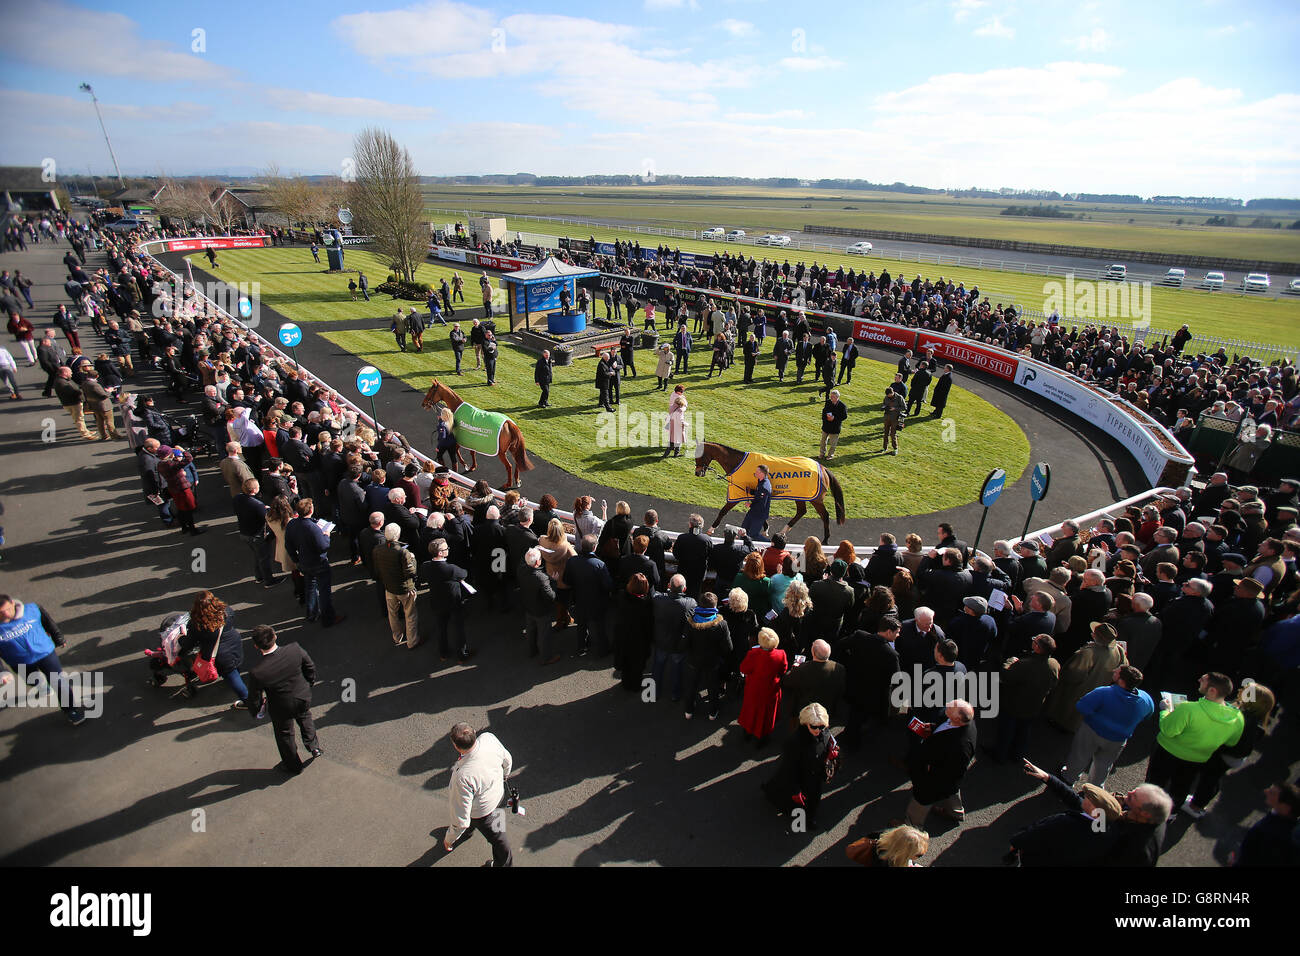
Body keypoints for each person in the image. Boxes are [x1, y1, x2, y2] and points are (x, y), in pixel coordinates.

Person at [1146, 671, 1245, 815]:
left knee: (1154, 783)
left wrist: (1165, 711)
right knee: (1180, 788)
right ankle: (1171, 814)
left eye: (1203, 680)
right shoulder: (1237, 718)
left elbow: (1168, 730)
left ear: (1212, 690)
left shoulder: (1188, 709)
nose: (1199, 680)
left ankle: (1144, 809)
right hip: (1197, 760)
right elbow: (1232, 741)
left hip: (1167, 753)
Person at [1008, 760, 1124, 866]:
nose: (1085, 797)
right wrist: (1047, 778)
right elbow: (1072, 798)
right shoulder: (1106, 828)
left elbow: (1034, 833)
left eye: (1090, 798)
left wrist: (1016, 844)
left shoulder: (1066, 823)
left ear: (1097, 813)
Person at [244, 625, 321, 775]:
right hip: (302, 696)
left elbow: (254, 696)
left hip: (280, 706)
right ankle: (314, 747)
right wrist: (308, 683)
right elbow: (310, 666)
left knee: (285, 735)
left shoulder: (258, 672)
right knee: (305, 717)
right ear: (275, 636)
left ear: (256, 646)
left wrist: (256, 711)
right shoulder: (294, 649)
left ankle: (294, 766)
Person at [1060, 664, 1153, 784]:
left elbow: (1081, 706)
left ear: (1121, 681)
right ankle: (1094, 791)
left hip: (1091, 731)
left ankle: (1068, 777)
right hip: (1118, 740)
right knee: (1103, 766)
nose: (1114, 670)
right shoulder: (1146, 700)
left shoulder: (1103, 692)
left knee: (1080, 756)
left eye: (1117, 672)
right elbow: (1147, 715)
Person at [0, 594, 83, 724]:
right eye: (1, 613)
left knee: (59, 681)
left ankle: (71, 710)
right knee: (31, 680)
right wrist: (2, 671)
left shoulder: (32, 610)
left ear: (12, 603)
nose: (5, 614)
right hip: (19, 662)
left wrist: (58, 637)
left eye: (7, 610)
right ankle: (42, 685)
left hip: (45, 653)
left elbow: (47, 621)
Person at [442, 722, 514, 867]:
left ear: (455, 745)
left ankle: (504, 864)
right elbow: (507, 760)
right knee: (497, 834)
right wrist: (504, 775)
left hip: (482, 813)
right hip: (498, 795)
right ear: (475, 732)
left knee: (499, 839)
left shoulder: (462, 777)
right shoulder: (488, 739)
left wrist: (450, 838)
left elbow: (461, 816)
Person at [762, 703, 838, 827]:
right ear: (805, 723)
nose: (818, 730)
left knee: (812, 798)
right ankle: (804, 822)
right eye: (814, 727)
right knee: (799, 801)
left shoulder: (823, 732)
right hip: (801, 777)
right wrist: (796, 789)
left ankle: (808, 818)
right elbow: (789, 768)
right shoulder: (795, 742)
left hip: (815, 774)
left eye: (822, 726)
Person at [904, 699, 977, 827]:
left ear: (957, 718)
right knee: (951, 791)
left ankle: (911, 827)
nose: (947, 705)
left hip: (936, 779)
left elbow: (949, 772)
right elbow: (945, 724)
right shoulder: (959, 721)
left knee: (920, 801)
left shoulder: (960, 747)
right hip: (949, 780)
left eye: (951, 707)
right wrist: (932, 727)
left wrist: (923, 774)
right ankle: (955, 813)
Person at [991, 633, 1060, 763]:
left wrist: (1010, 662)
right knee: (1023, 731)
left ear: (1038, 648)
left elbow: (1006, 676)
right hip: (1034, 705)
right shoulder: (1053, 664)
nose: (1033, 641)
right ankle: (1017, 755)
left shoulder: (1025, 665)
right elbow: (1054, 683)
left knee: (1006, 730)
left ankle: (999, 755)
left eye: (1035, 641)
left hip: (1014, 704)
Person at [181, 591, 248, 706]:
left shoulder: (197, 624)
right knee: (235, 666)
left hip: (220, 655)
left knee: (232, 676)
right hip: (235, 643)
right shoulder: (226, 611)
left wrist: (180, 638)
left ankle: (248, 701)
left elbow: (188, 643)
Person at [285, 498, 344, 628]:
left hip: (303, 563)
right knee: (324, 591)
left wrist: (296, 560)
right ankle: (328, 618)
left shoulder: (292, 524)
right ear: (311, 510)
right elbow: (323, 546)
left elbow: (288, 545)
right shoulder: (312, 527)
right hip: (318, 563)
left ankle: (312, 613)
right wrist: (327, 534)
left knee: (310, 587)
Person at [373, 524, 420, 649]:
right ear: (397, 535)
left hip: (389, 587)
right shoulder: (402, 552)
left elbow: (377, 570)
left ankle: (397, 637)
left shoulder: (378, 549)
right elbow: (411, 572)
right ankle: (412, 641)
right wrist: (413, 559)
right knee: (410, 615)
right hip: (405, 588)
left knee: (392, 614)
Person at [738, 627, 788, 745]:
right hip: (771, 689)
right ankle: (762, 738)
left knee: (750, 711)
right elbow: (783, 669)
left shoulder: (753, 654)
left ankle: (747, 732)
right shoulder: (781, 654)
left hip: (754, 688)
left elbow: (743, 668)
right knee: (767, 715)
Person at [846, 825, 930, 867]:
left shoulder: (884, 835)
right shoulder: (885, 862)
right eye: (919, 855)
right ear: (903, 852)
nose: (921, 855)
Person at [741, 465, 772, 543]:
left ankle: (770, 544)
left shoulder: (765, 487)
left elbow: (762, 505)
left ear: (762, 473)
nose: (755, 473)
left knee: (753, 535)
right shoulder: (761, 481)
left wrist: (750, 505)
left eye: (757, 472)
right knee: (743, 530)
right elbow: (758, 493)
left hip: (759, 515)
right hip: (753, 512)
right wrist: (751, 491)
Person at [820, 389, 847, 460]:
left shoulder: (842, 406)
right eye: (831, 396)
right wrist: (826, 418)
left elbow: (844, 416)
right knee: (823, 441)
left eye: (833, 397)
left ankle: (830, 455)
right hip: (826, 426)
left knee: (833, 444)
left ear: (837, 397)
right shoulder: (828, 402)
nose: (831, 398)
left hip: (835, 428)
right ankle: (822, 454)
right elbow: (824, 412)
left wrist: (834, 418)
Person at [663, 384, 687, 458]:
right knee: (678, 441)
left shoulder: (671, 406)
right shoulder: (680, 410)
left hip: (672, 422)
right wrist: (685, 424)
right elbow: (680, 420)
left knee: (671, 440)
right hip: (677, 425)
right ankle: (676, 454)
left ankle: (666, 454)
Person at [882, 386, 904, 455]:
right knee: (885, 433)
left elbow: (904, 407)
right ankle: (884, 447)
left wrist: (895, 408)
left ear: (892, 393)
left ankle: (895, 448)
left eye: (889, 395)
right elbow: (884, 403)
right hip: (887, 417)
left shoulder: (899, 398)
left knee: (893, 434)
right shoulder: (886, 397)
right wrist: (884, 407)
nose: (888, 397)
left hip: (895, 419)